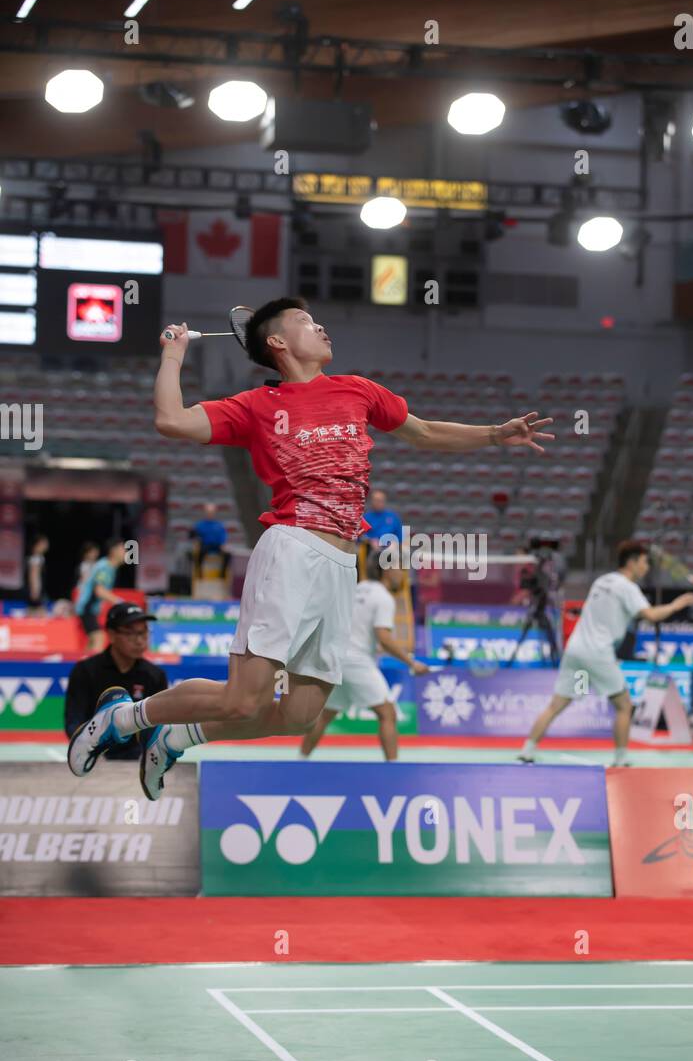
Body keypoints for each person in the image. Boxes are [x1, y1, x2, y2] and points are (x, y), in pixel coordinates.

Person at [67, 297, 553, 800]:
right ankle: (121, 718)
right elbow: (171, 420)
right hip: (292, 548)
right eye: (305, 321)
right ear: (276, 342)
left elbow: (425, 432)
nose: (320, 325)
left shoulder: (357, 390)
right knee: (241, 699)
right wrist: (173, 353)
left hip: (343, 565)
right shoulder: (255, 406)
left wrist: (495, 435)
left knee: (300, 714)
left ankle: (177, 735)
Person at [518, 539, 693, 767]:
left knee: (557, 704)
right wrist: (677, 605)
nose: (647, 567)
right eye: (644, 562)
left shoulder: (602, 581)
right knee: (624, 705)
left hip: (575, 650)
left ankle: (527, 751)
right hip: (598, 652)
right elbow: (650, 615)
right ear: (632, 563)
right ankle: (621, 759)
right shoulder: (627, 587)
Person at [300, 555, 429, 761]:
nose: (401, 573)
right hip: (358, 661)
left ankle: (299, 761)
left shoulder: (355, 589)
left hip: (336, 659)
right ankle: (393, 770)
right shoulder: (384, 598)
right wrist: (412, 662)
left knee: (325, 715)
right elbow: (384, 637)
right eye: (397, 568)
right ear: (386, 570)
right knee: (388, 714)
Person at [65, 603, 167, 763]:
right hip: (93, 757)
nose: (140, 641)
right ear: (111, 635)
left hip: (139, 760)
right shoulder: (85, 671)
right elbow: (73, 721)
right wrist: (87, 750)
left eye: (144, 633)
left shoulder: (155, 675)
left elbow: (159, 726)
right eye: (132, 634)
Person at [74, 538, 127, 653]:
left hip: (89, 609)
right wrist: (121, 602)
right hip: (86, 607)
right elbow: (99, 591)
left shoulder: (109, 567)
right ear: (113, 551)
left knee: (92, 641)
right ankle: (94, 669)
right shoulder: (104, 567)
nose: (126, 553)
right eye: (123, 549)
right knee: (99, 637)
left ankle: (82, 667)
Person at [191, 502, 229, 579]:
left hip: (217, 546)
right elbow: (194, 535)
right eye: (208, 512)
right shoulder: (200, 525)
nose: (210, 514)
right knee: (200, 553)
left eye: (211, 512)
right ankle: (199, 573)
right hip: (205, 546)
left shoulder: (219, 525)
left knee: (228, 555)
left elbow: (223, 536)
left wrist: (223, 544)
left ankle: (222, 575)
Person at [26, 534, 49, 613]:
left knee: (34, 611)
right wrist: (35, 590)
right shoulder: (36, 558)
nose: (47, 545)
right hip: (36, 589)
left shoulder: (39, 557)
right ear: (38, 544)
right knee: (37, 611)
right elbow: (33, 575)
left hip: (38, 589)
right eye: (44, 543)